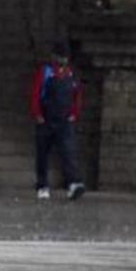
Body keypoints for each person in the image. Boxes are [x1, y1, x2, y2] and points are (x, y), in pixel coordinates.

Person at [31, 41, 86, 201]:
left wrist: (74, 113)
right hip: (46, 118)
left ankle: (73, 183)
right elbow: (36, 93)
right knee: (43, 153)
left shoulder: (71, 75)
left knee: (68, 152)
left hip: (64, 119)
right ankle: (42, 185)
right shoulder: (45, 72)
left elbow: (77, 95)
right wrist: (37, 113)